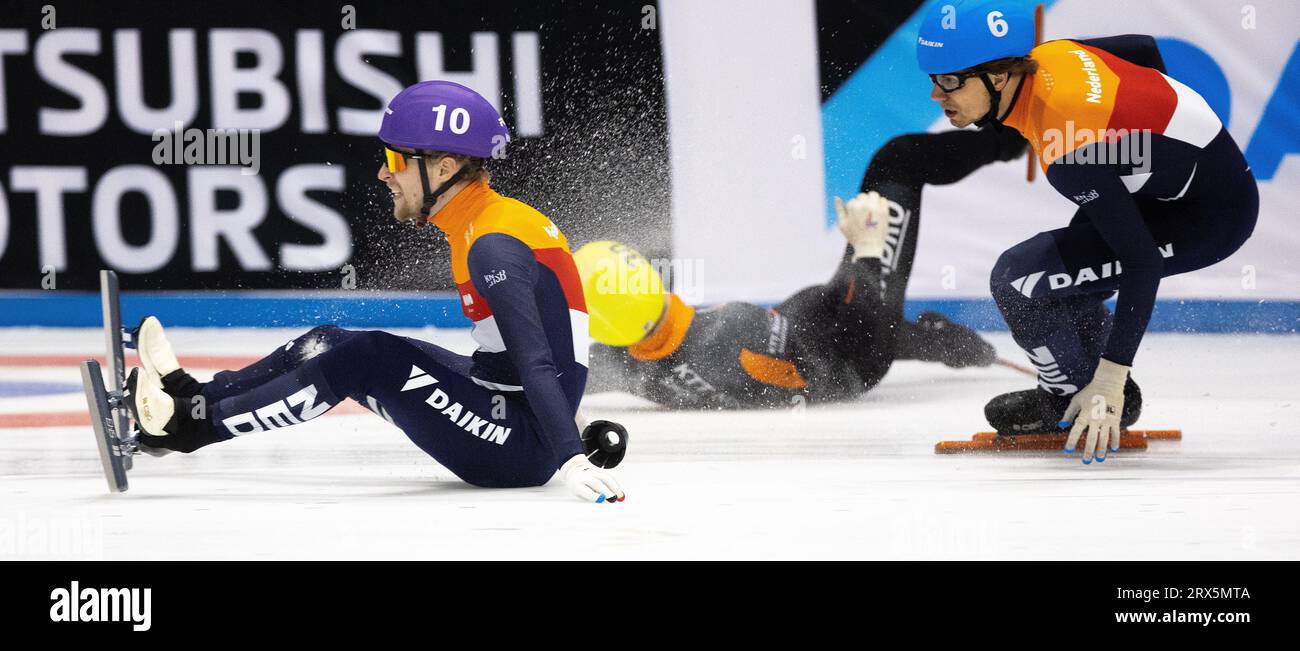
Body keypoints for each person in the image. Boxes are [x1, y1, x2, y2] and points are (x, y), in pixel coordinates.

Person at [125, 80, 626, 503]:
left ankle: (188, 429)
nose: (384, 172)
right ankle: (192, 399)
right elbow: (561, 342)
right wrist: (576, 423)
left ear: (445, 169)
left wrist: (569, 456)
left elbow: (538, 358)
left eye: (395, 158)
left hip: (518, 446)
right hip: (509, 403)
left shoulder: (491, 245)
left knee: (369, 356)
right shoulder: (485, 221)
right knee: (328, 341)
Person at [916, 0, 1257, 462]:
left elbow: (1143, 262)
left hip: (1210, 217)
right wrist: (1152, 138)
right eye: (934, 79)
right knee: (1065, 270)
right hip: (1169, 186)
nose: (937, 95)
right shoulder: (1054, 54)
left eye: (950, 80)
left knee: (1020, 279)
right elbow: (1144, 50)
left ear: (998, 77)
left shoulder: (1069, 149)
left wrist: (1110, 381)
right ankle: (1088, 379)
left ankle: (1076, 398)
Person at [579, 127, 1028, 410]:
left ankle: (943, 341)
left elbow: (563, 374)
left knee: (837, 319)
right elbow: (848, 344)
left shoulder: (628, 367)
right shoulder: (727, 337)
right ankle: (1018, 134)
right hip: (856, 344)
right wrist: (867, 254)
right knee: (900, 160)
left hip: (828, 334)